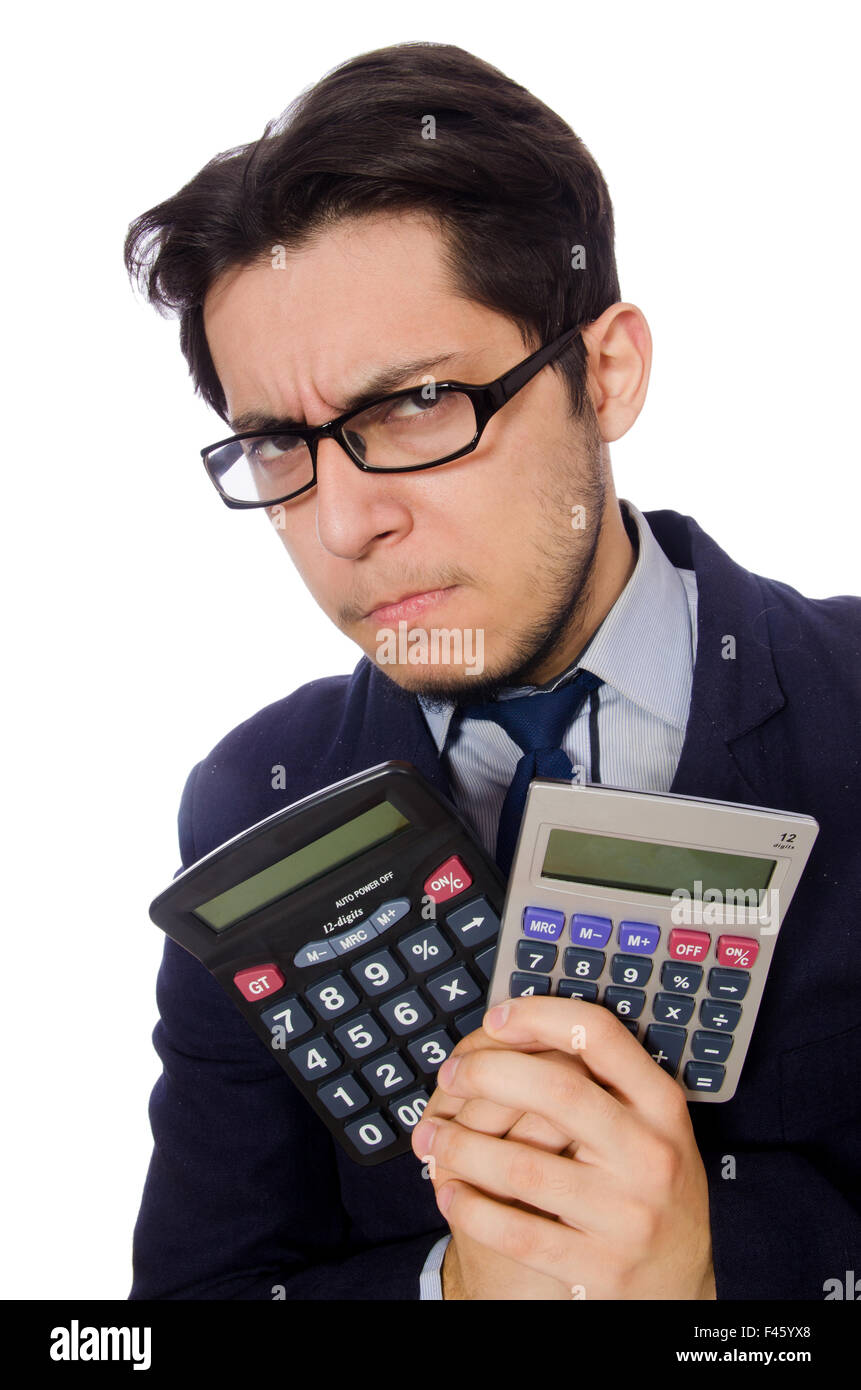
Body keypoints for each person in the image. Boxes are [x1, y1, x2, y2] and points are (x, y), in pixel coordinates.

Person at [124, 41, 861, 1300]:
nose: (345, 523)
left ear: (607, 372)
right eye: (279, 446)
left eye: (413, 402)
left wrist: (708, 1280)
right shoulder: (253, 800)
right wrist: (457, 1290)